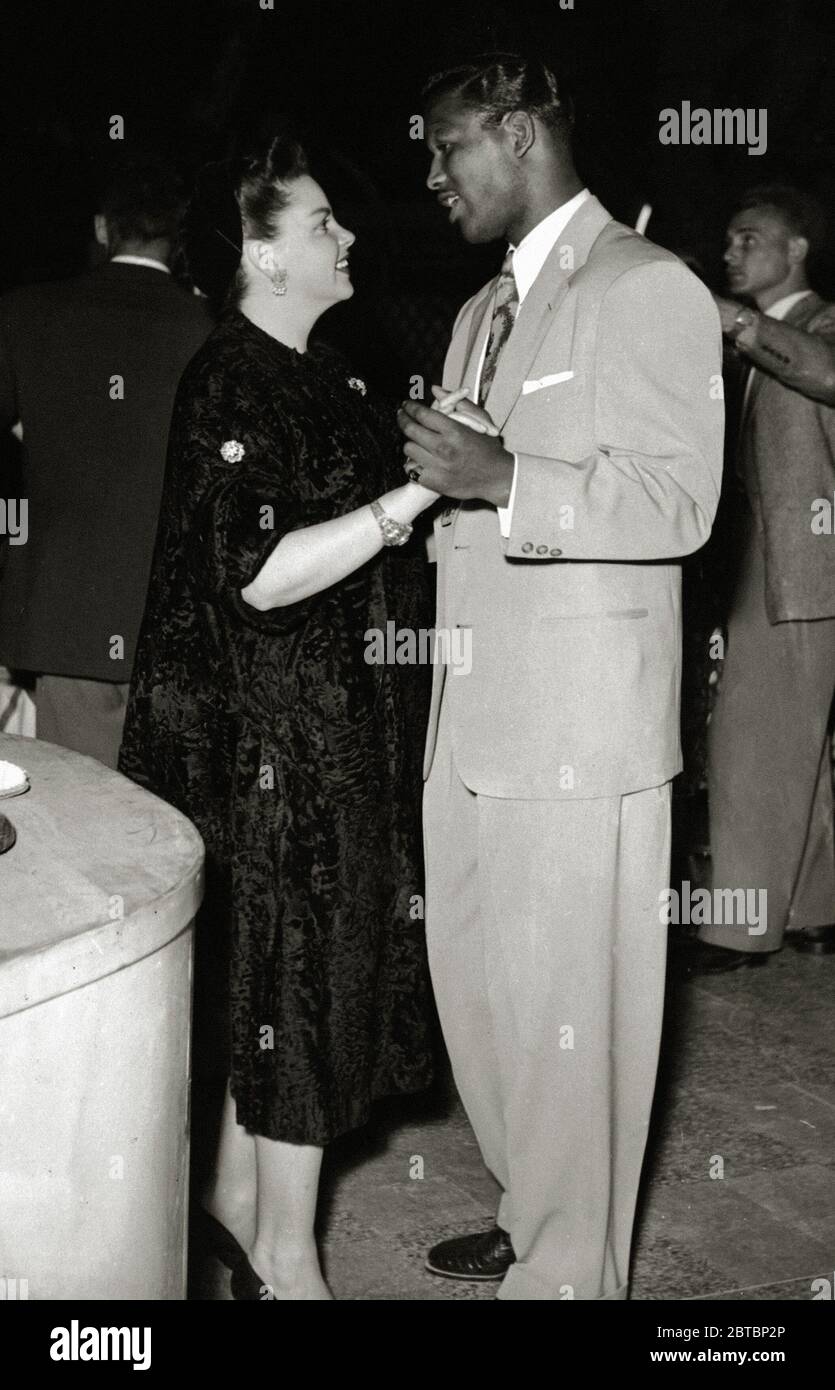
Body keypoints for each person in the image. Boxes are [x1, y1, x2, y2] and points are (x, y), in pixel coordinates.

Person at [398, 53, 724, 1300]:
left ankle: (568, 1278)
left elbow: (679, 498)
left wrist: (502, 482)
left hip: (578, 734)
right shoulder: (483, 307)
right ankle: (541, 1217)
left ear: (520, 131)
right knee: (483, 1008)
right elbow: (472, 492)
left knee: (567, 1025)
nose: (429, 175)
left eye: (445, 147)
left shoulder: (646, 288)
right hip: (471, 718)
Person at [118, 136, 439, 1300]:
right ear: (259, 252)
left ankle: (250, 1221)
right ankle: (284, 1258)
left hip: (331, 743)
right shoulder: (230, 378)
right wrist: (413, 497)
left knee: (294, 996)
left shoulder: (319, 371)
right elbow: (257, 572)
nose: (345, 238)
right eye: (318, 225)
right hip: (276, 760)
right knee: (294, 994)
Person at [0, 155, 212, 767]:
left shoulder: (26, 311)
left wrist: (37, 431)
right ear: (178, 239)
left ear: (101, 229)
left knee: (85, 818)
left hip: (69, 611)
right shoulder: (207, 323)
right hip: (182, 615)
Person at [693, 185, 835, 972]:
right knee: (798, 743)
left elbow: (824, 372)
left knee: (749, 741)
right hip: (768, 567)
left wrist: (739, 323)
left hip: (804, 568)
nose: (730, 251)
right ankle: (815, 909)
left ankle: (737, 929)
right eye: (727, 240)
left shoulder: (814, 325)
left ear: (797, 248)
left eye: (749, 238)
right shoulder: (750, 343)